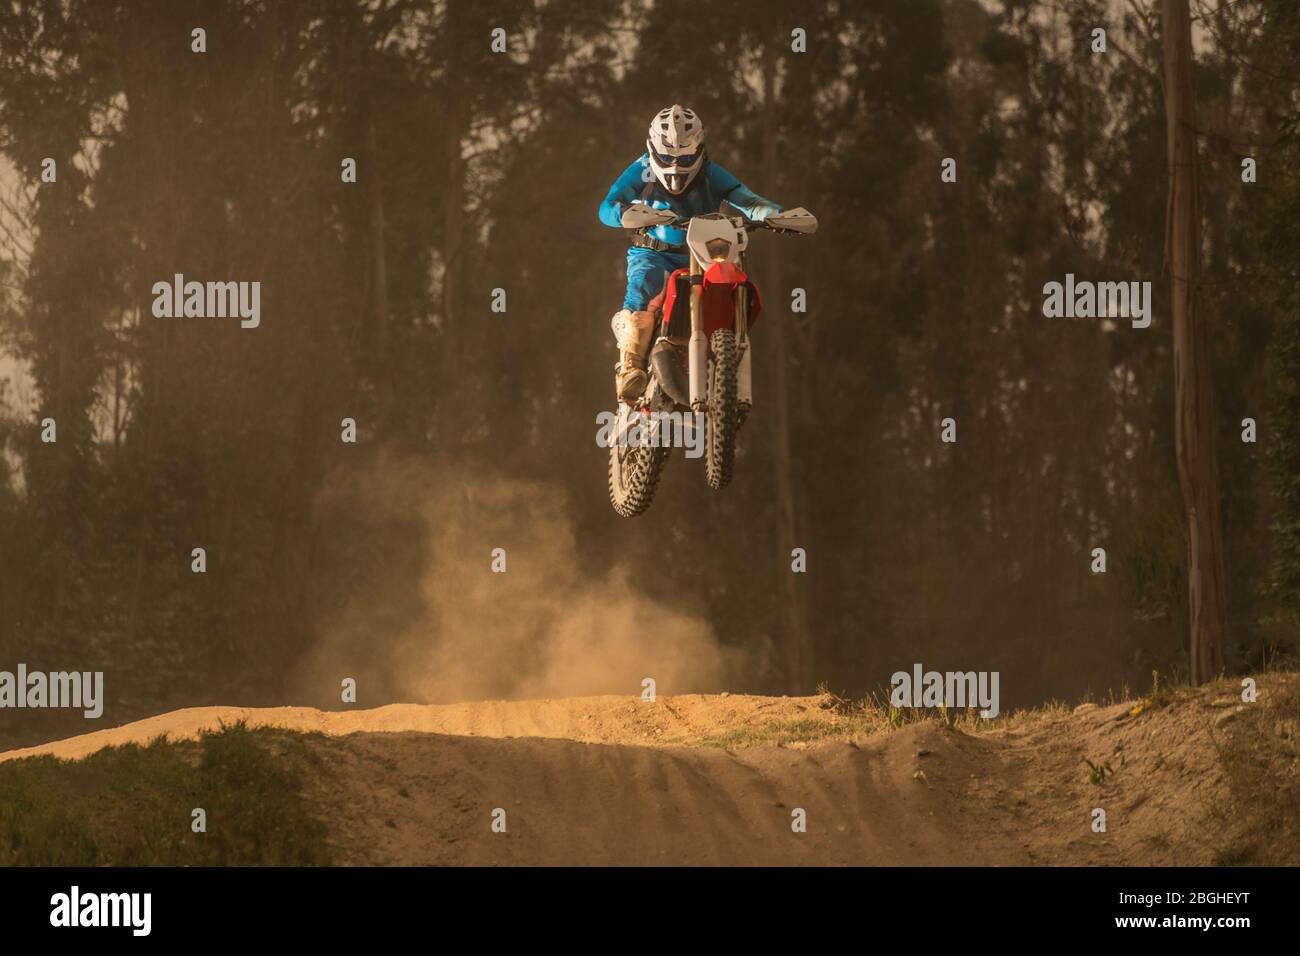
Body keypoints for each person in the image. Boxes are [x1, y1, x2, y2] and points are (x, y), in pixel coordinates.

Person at [598, 104, 784, 402]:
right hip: (655, 253)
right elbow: (607, 206)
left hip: (703, 253)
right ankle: (631, 368)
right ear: (652, 150)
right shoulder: (642, 170)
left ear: (698, 149)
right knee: (645, 291)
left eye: (684, 158)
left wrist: (775, 214)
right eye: (667, 157)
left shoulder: (711, 172)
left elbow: (746, 199)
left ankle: (724, 360)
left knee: (735, 284)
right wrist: (625, 213)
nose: (675, 166)